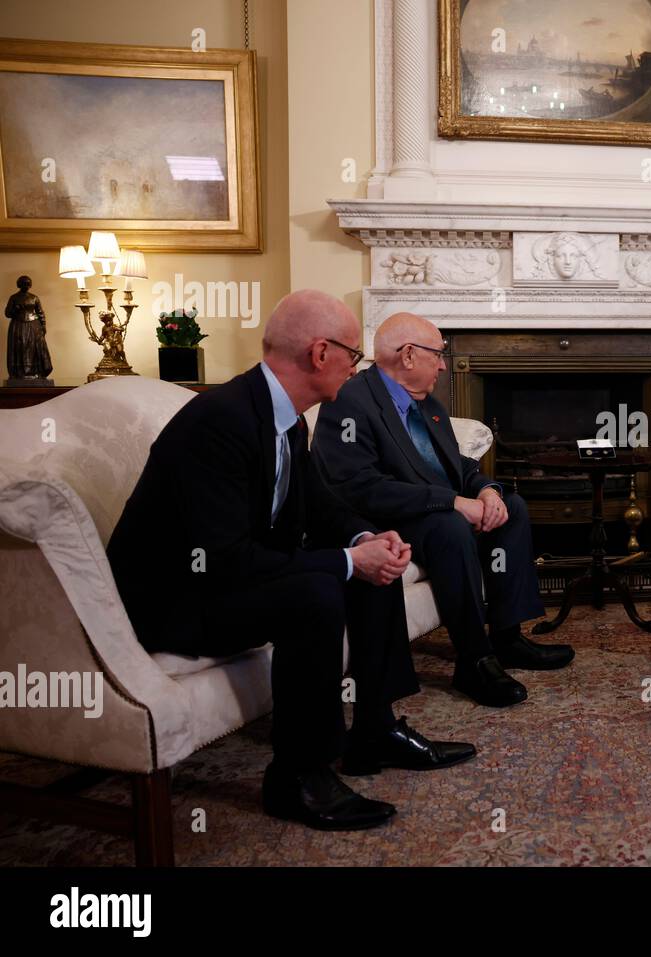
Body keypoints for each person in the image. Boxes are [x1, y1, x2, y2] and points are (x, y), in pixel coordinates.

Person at [107, 291, 475, 832]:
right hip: (176, 600)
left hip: (229, 579)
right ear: (321, 353)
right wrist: (348, 561)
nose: (359, 369)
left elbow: (320, 504)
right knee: (318, 590)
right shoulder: (222, 420)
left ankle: (374, 730)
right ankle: (299, 776)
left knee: (371, 570)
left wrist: (366, 536)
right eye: (355, 356)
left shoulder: (288, 418)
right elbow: (224, 560)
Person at [311, 312, 573, 709]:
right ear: (410, 355)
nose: (444, 364)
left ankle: (506, 637)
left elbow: (457, 466)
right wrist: (452, 501)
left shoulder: (427, 405)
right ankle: (474, 659)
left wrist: (485, 491)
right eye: (438, 354)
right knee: (449, 525)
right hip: (389, 520)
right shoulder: (349, 402)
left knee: (512, 506)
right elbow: (357, 488)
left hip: (432, 512)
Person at [5, 275, 53, 382]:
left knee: (33, 348)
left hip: (33, 326)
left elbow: (40, 313)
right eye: (24, 283)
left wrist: (43, 326)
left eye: (28, 283)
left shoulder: (34, 297)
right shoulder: (14, 297)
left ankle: (36, 372)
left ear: (30, 285)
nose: (26, 285)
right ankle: (18, 373)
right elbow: (7, 313)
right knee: (20, 347)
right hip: (18, 325)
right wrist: (16, 309)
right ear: (19, 285)